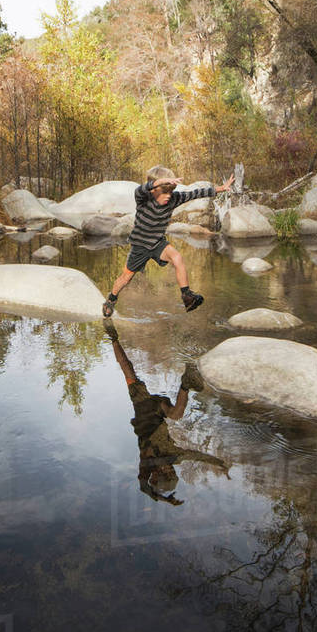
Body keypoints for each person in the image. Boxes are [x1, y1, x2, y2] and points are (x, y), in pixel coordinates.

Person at [104, 320, 228, 504]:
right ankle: (186, 383)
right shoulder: (173, 456)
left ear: (155, 474)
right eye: (171, 471)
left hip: (144, 406)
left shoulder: (147, 463)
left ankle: (113, 337)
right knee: (176, 414)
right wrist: (219, 463)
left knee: (127, 370)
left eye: (166, 472)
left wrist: (162, 498)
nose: (168, 468)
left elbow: (143, 486)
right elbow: (196, 455)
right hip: (160, 410)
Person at [101, 166, 234, 317]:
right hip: (140, 246)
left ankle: (187, 296)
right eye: (165, 192)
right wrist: (161, 181)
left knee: (177, 257)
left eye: (170, 192)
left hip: (158, 243)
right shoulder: (143, 199)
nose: (168, 196)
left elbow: (194, 194)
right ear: (154, 190)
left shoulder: (174, 198)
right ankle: (111, 300)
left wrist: (221, 188)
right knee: (125, 278)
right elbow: (141, 189)